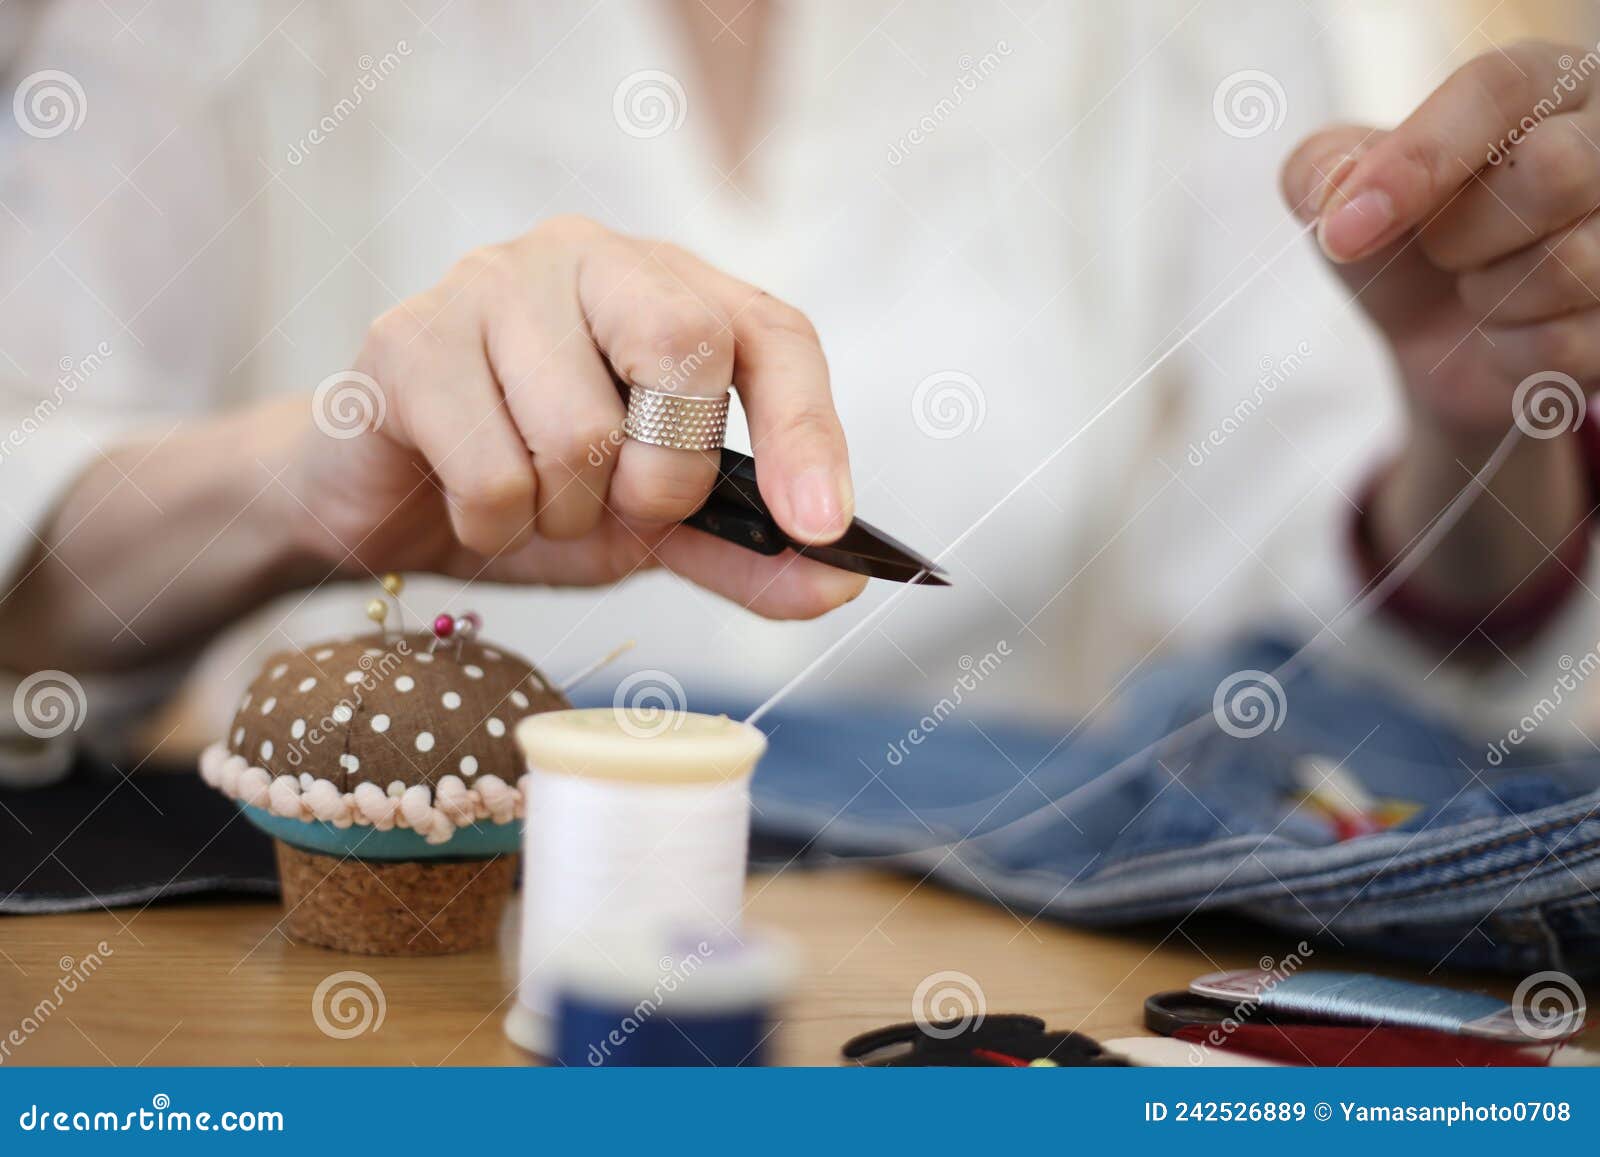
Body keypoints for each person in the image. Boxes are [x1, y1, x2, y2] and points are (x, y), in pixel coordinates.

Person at [1, 1, 1596, 775]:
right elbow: (33, 538)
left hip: (992, 1019)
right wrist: (302, 487)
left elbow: (1366, 679)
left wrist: (1479, 428)